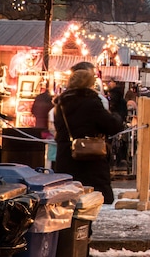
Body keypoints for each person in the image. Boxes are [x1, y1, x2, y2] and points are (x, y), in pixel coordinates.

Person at [54, 67, 126, 204]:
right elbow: (112, 126)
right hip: (90, 158)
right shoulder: (91, 102)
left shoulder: (61, 104)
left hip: (65, 156)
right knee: (93, 199)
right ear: (89, 84)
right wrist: (116, 115)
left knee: (69, 200)